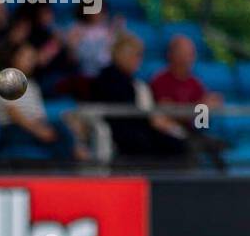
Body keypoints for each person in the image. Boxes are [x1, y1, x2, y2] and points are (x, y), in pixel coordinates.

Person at [91, 33, 189, 161]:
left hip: (138, 129)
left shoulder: (131, 82)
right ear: (123, 55)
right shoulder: (109, 79)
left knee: (178, 142)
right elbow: (124, 114)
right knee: (173, 146)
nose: (139, 60)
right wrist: (153, 121)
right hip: (123, 133)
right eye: (136, 55)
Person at [0, 42, 79, 163]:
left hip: (34, 125)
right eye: (26, 57)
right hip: (13, 129)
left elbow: (39, 115)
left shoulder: (32, 85)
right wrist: (38, 131)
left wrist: (44, 128)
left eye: (32, 58)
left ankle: (72, 162)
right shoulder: (5, 78)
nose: (30, 62)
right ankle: (77, 161)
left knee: (60, 128)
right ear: (13, 57)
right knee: (60, 140)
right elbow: (13, 113)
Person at [149, 35, 226, 166]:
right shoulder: (160, 81)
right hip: (169, 136)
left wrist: (205, 108)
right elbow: (168, 112)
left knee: (219, 145)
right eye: (185, 54)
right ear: (172, 55)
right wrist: (200, 106)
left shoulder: (195, 83)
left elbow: (201, 122)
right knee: (191, 147)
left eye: (191, 54)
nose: (189, 59)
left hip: (193, 133)